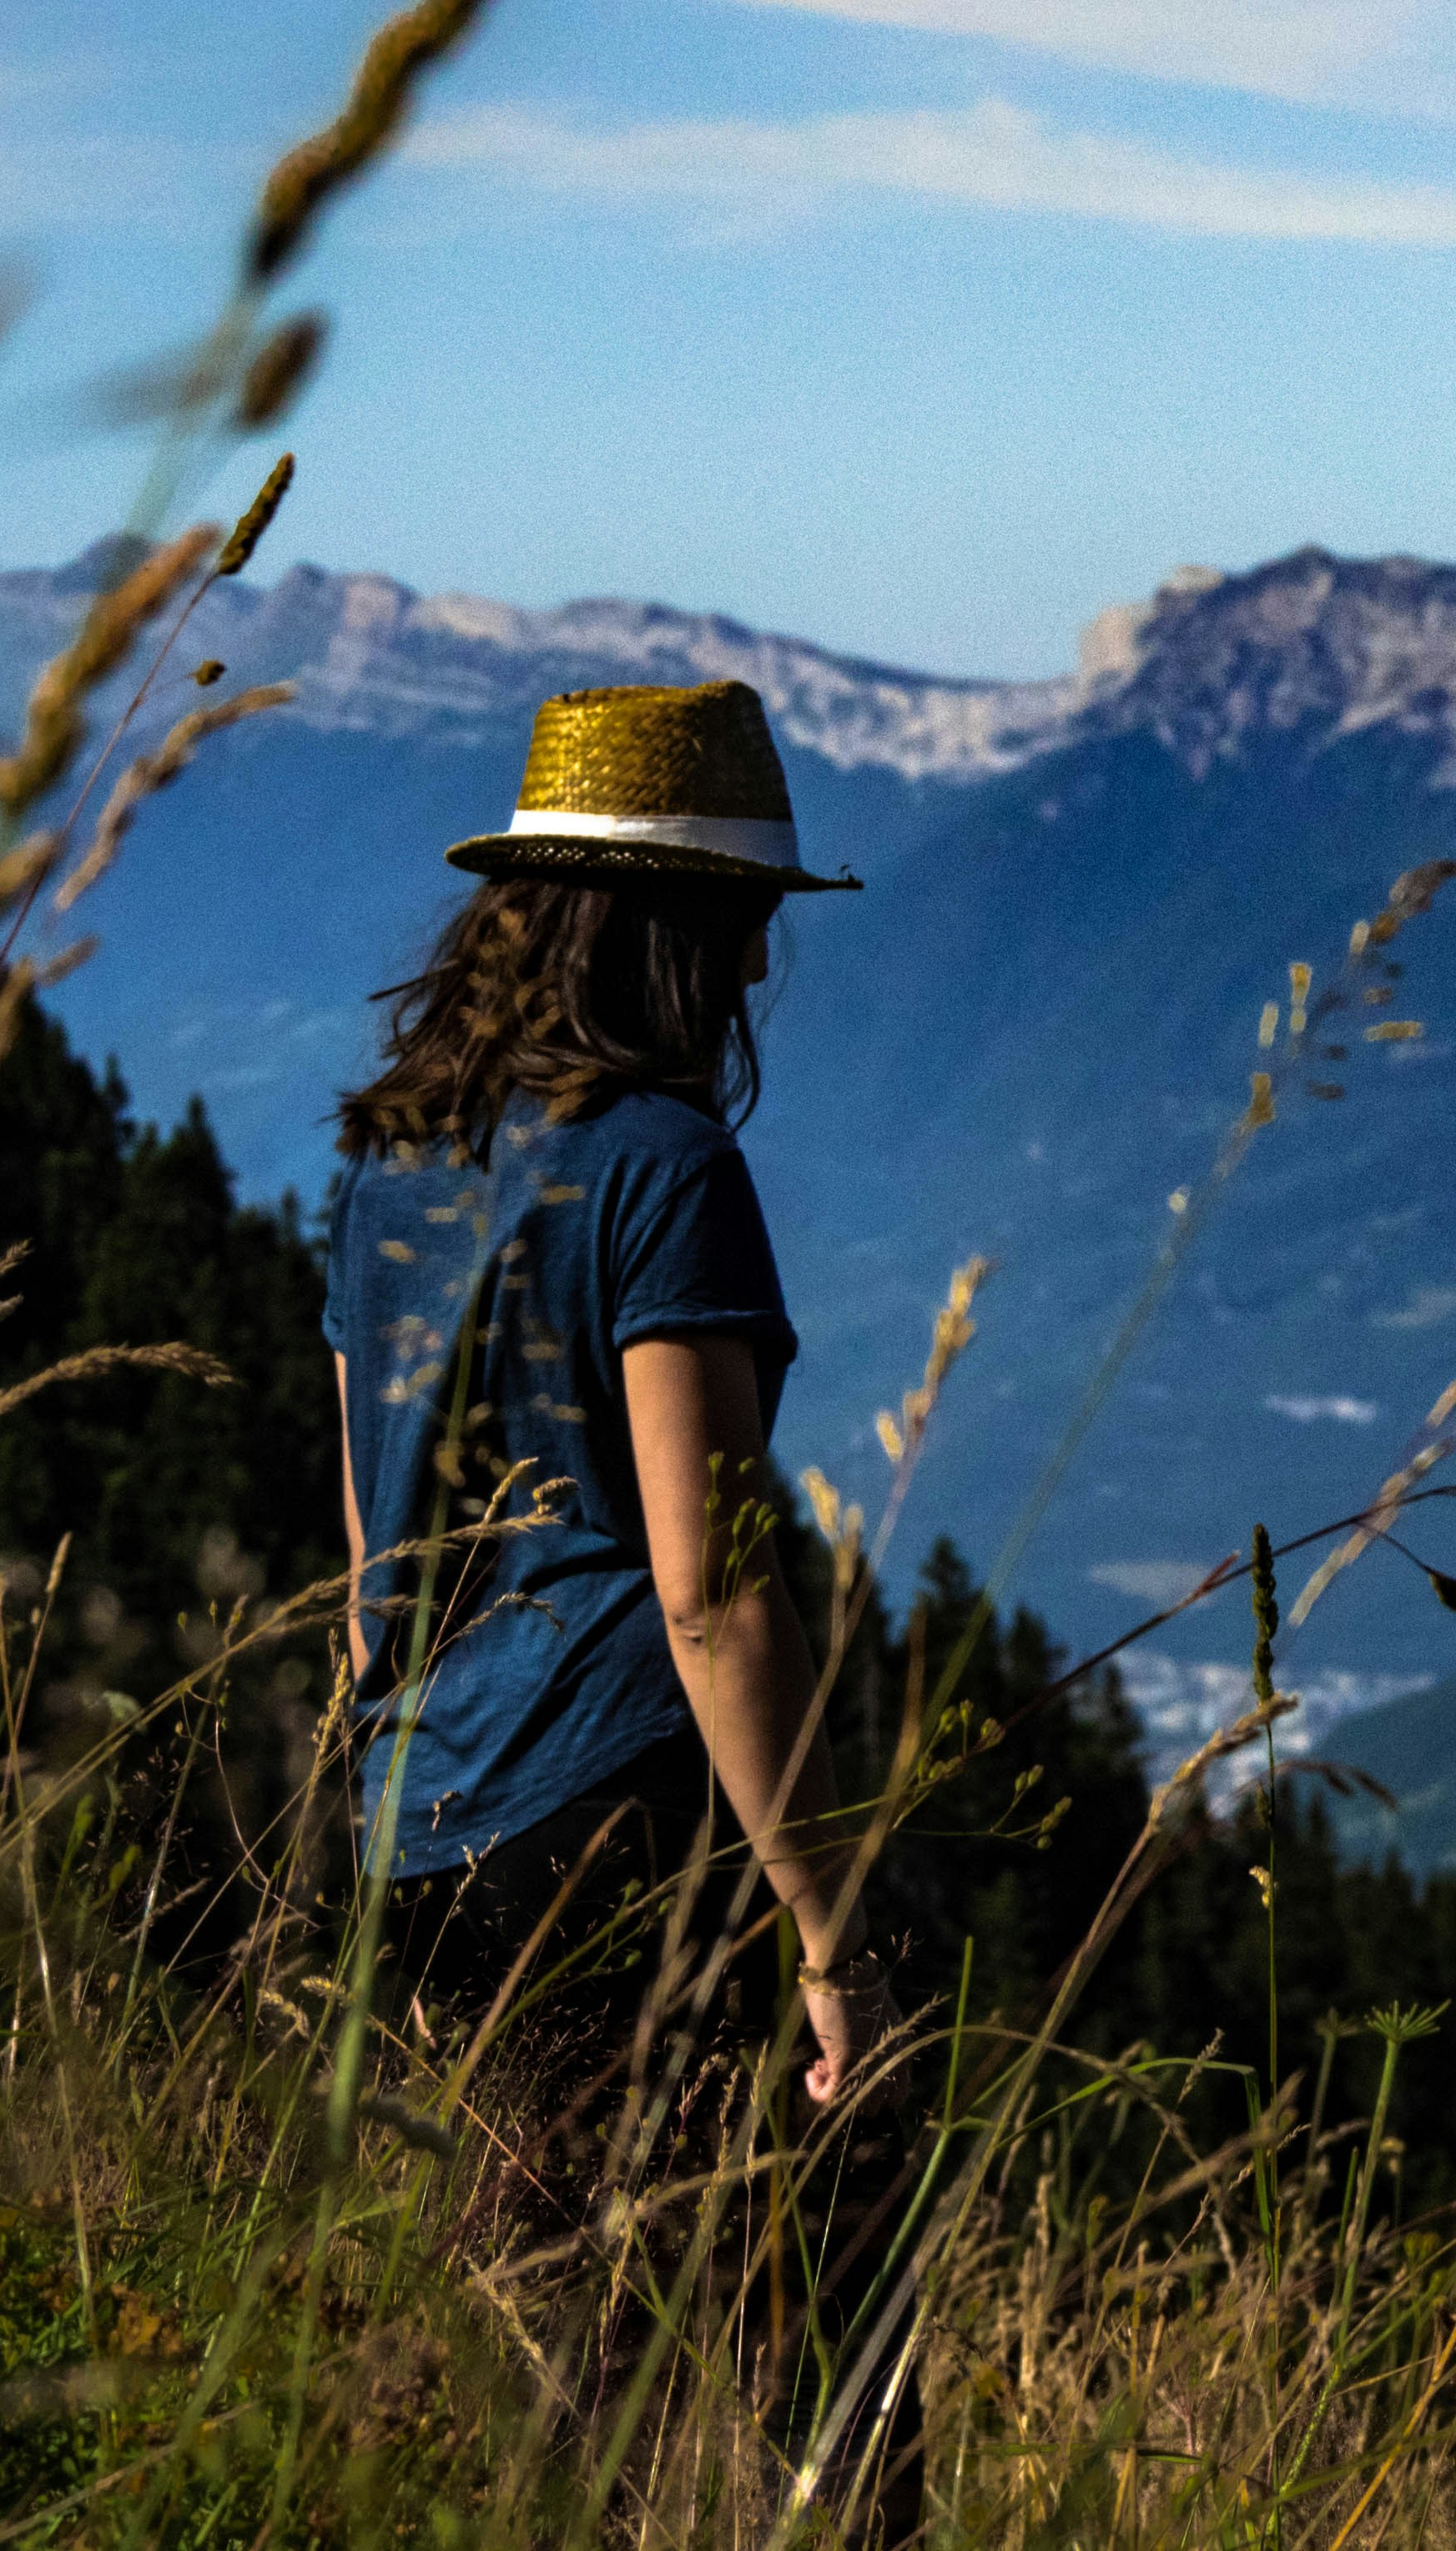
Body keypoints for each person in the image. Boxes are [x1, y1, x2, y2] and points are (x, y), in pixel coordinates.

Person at [322, 677, 881, 2180]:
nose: (763, 956)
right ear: (671, 928)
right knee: (753, 2309)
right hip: (616, 1800)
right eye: (746, 910)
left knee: (527, 2295)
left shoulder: (391, 1163)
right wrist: (827, 1928)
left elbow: (379, 1547)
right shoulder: (667, 1169)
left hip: (416, 1815)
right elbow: (707, 1590)